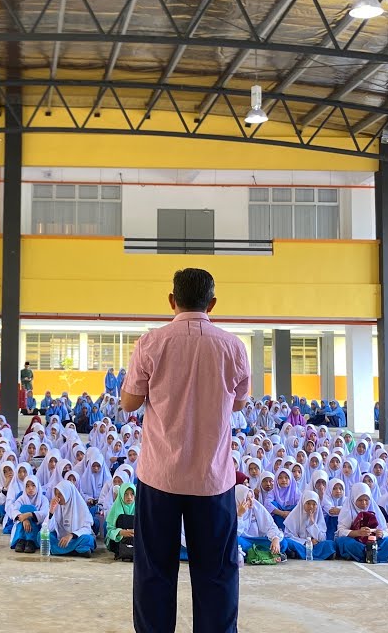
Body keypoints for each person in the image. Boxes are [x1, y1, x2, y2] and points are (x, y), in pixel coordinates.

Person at [122, 268, 249, 633]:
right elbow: (239, 403)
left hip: (160, 476)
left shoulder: (151, 343)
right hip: (212, 479)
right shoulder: (233, 346)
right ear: (212, 303)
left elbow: (129, 402)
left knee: (154, 571)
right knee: (216, 574)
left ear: (171, 301)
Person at [47, 479, 96, 557]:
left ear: (67, 493)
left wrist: (71, 535)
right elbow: (47, 528)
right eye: (56, 494)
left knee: (88, 539)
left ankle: (59, 551)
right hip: (61, 540)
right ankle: (76, 551)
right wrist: (51, 511)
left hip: (76, 538)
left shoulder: (81, 506)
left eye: (60, 494)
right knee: (42, 535)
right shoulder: (56, 506)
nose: (57, 497)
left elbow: (87, 529)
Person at [106, 481, 136, 561]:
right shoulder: (116, 508)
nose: (129, 497)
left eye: (132, 494)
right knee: (122, 518)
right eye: (126, 494)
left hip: (135, 539)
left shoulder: (139, 508)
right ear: (121, 494)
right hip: (119, 540)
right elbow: (109, 531)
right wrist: (120, 532)